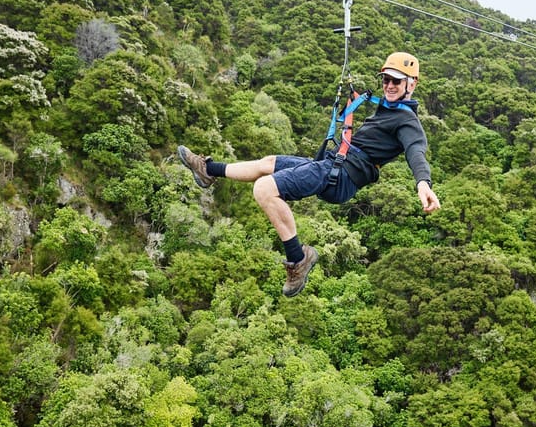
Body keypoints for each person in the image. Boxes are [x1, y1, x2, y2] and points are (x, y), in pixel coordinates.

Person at [177, 52, 440, 297]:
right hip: (334, 163)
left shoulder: (408, 122)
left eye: (396, 80)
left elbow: (416, 152)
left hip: (341, 175)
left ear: (412, 85)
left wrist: (423, 183)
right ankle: (208, 170)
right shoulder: (388, 107)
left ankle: (297, 258)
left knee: (264, 189)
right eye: (386, 79)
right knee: (268, 163)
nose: (389, 85)